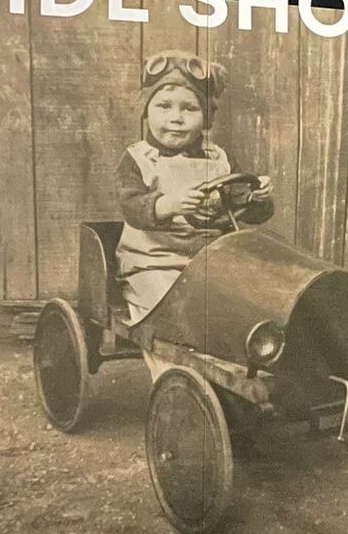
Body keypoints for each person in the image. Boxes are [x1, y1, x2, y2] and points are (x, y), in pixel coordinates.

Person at [114, 52, 272, 329]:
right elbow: (132, 206)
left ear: (206, 116)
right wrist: (170, 205)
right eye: (164, 106)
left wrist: (255, 198)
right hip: (154, 262)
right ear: (146, 110)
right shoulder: (138, 159)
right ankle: (168, 352)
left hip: (214, 262)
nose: (176, 118)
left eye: (189, 109)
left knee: (252, 301)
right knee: (170, 312)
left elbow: (243, 206)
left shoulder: (219, 158)